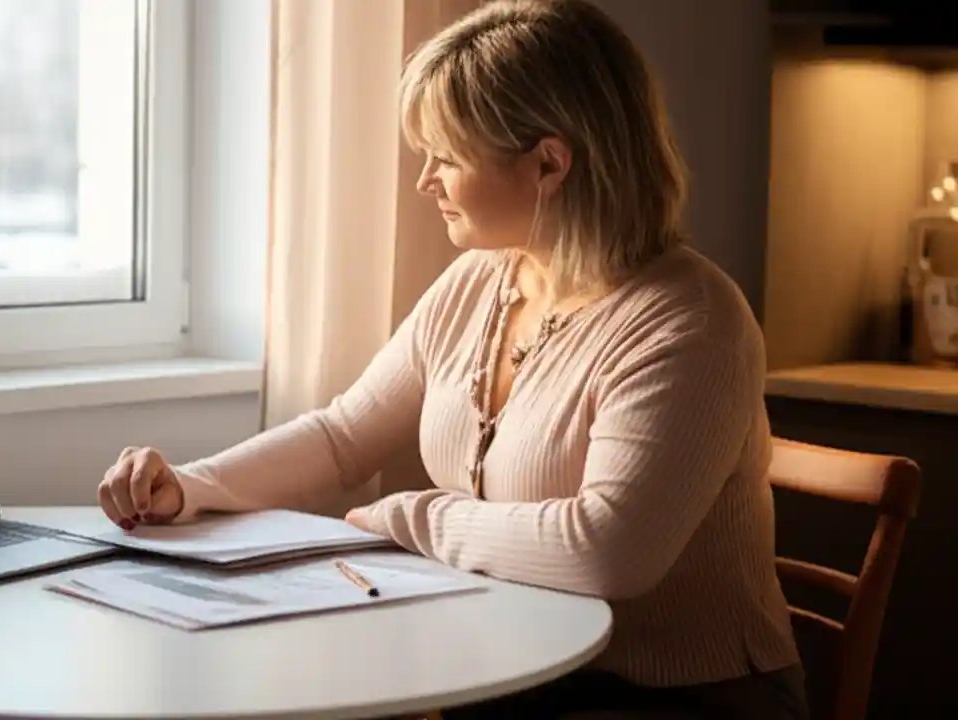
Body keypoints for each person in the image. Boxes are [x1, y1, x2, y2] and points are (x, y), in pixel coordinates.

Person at [98, 1, 806, 717]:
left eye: (447, 156)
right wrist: (191, 486)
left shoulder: (689, 323)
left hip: (678, 696)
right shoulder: (483, 280)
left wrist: (412, 518)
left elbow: (608, 552)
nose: (424, 180)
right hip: (512, 668)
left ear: (549, 163)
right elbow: (345, 437)